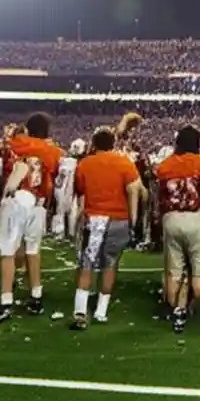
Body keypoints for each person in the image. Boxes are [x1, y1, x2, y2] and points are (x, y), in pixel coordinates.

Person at [0, 113, 63, 323]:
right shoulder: (52, 151)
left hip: (16, 200)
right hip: (38, 204)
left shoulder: (16, 143)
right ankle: (36, 297)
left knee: (7, 252)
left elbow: (5, 163)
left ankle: (6, 301)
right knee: (33, 251)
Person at [70, 126, 143, 331]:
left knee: (86, 263)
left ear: (93, 144)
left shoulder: (85, 164)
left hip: (94, 218)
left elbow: (80, 192)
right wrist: (133, 218)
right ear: (113, 143)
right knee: (110, 264)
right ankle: (101, 311)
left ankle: (80, 311)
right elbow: (133, 190)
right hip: (119, 219)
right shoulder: (124, 162)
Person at [155, 125, 200, 334]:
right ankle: (189, 304)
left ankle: (177, 308)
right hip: (196, 219)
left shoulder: (164, 165)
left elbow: (159, 195)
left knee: (175, 270)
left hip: (170, 219)